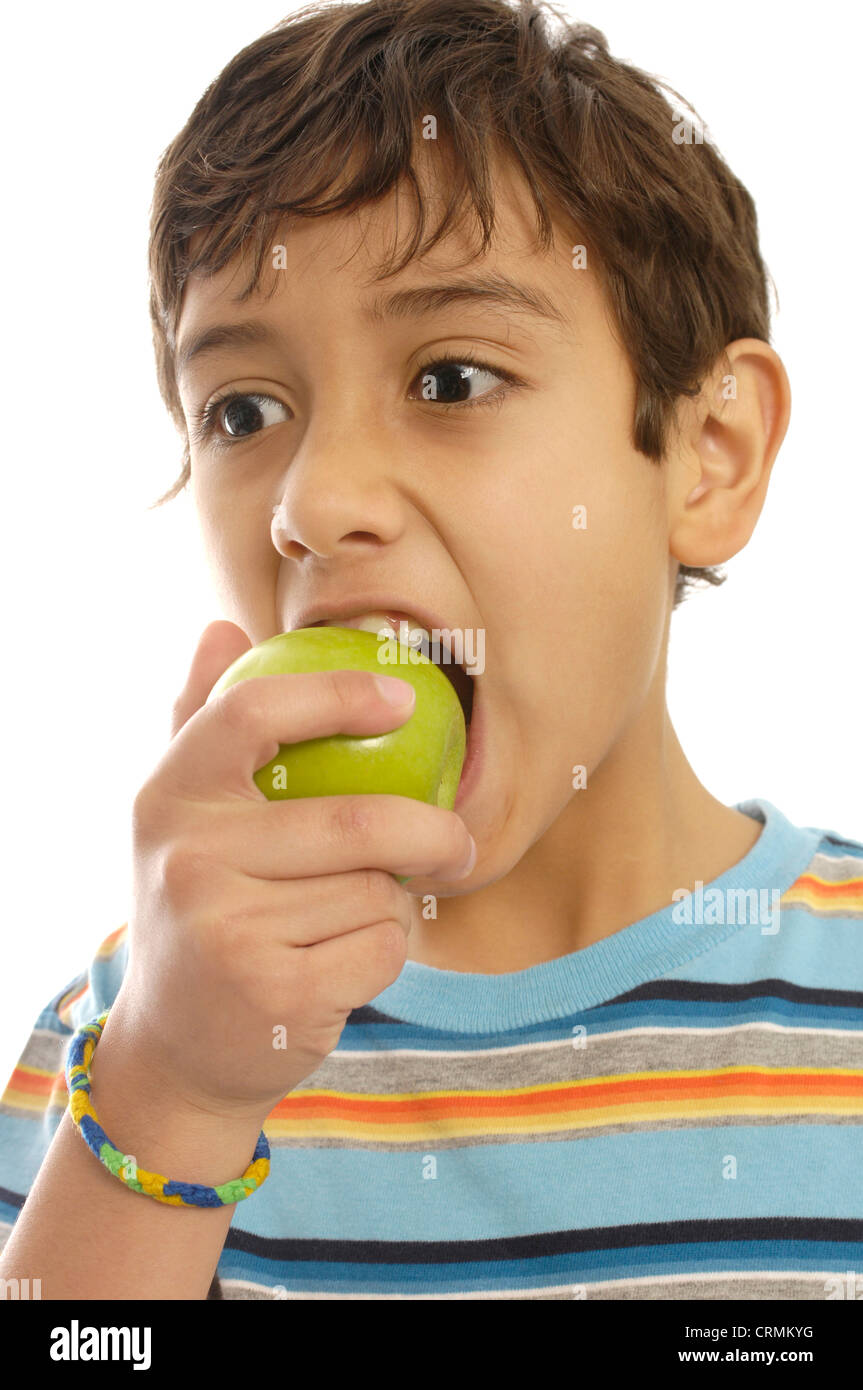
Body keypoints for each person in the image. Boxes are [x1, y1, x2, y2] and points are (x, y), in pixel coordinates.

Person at [1, 0, 861, 1301]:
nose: (311, 500)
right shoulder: (121, 1050)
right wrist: (175, 1096)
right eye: (244, 410)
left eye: (452, 380)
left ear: (708, 456)